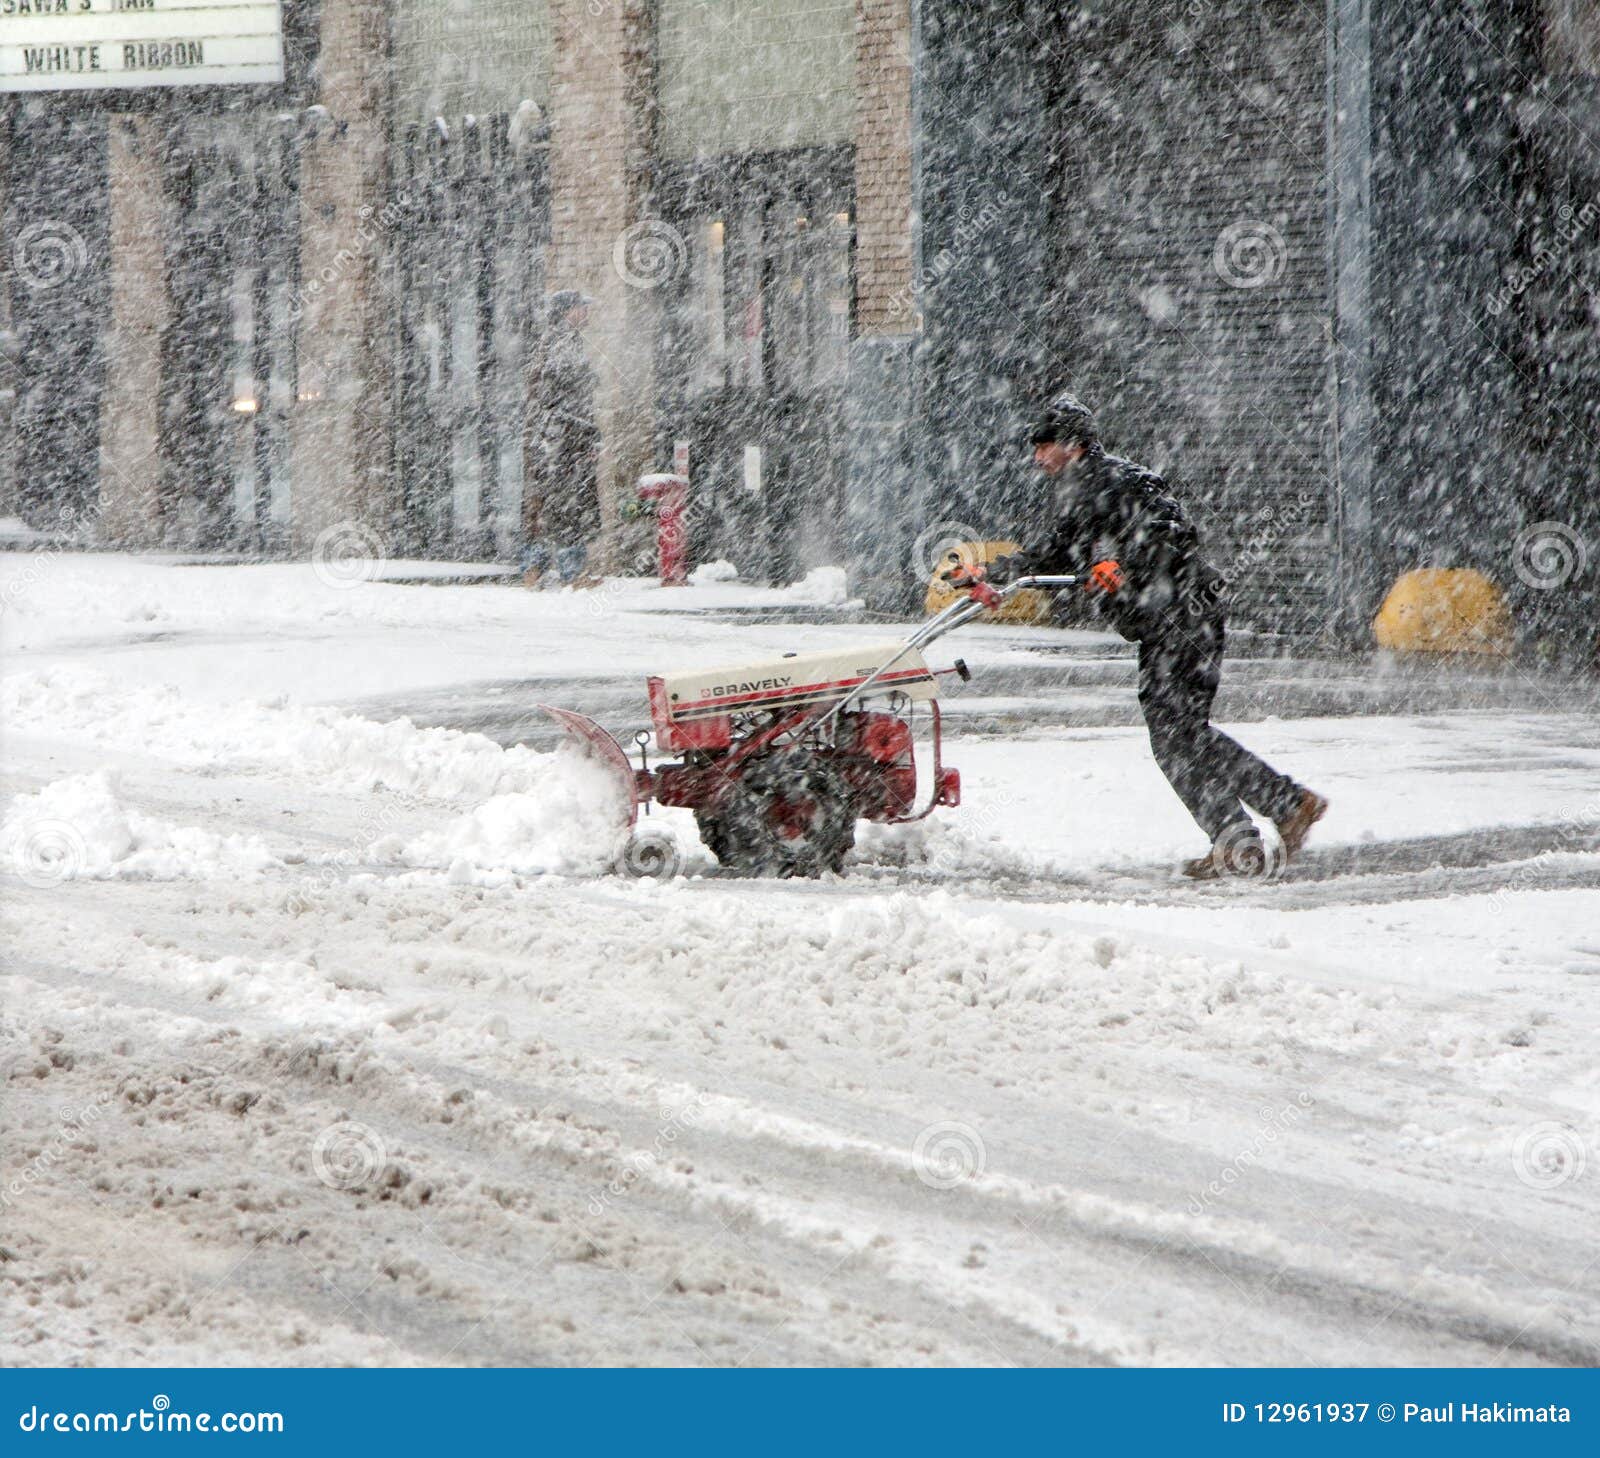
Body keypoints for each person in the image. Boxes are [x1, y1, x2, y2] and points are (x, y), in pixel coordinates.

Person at [949, 390, 1327, 878]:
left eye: (1043, 445)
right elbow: (1050, 553)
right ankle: (1250, 833)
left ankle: (1282, 809)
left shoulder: (1124, 480)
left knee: (1178, 734)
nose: (1036, 457)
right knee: (1176, 737)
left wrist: (1123, 563)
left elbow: (1174, 530)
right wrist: (993, 575)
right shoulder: (1075, 494)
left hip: (1188, 615)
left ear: (1074, 444)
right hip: (1161, 625)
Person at [521, 290, 601, 588]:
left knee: (544, 506)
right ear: (568, 312)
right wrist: (589, 434)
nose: (586, 314)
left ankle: (533, 568)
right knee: (570, 506)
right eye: (582, 308)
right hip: (564, 440)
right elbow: (564, 394)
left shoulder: (552, 340)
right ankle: (571, 572)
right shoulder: (563, 343)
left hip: (551, 439)